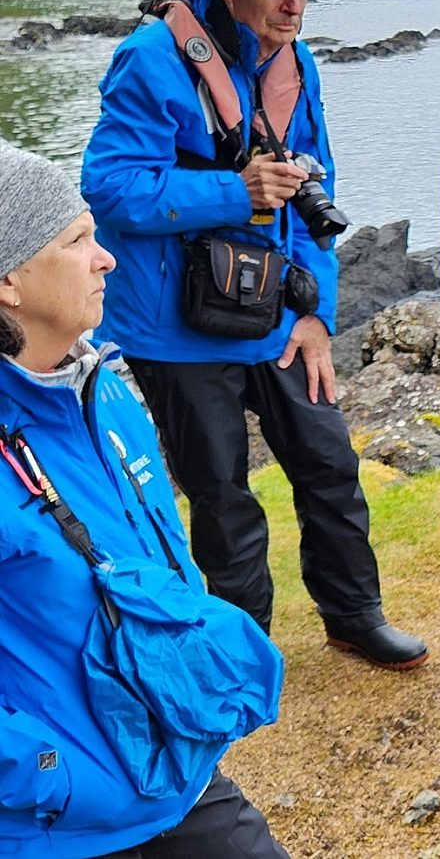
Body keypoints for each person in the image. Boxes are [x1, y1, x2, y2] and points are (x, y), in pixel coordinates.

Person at [80, 0, 428, 669]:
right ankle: (245, 651)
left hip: (273, 312)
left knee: (330, 464)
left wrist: (316, 314)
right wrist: (236, 193)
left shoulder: (295, 63)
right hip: (173, 325)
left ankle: (354, 615)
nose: (294, 4)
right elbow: (108, 189)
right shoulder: (150, 58)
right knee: (222, 495)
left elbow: (315, 191)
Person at [1, 144, 288, 858]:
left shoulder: (103, 386)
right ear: (9, 281)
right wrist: (47, 778)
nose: (108, 259)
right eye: (77, 241)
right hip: (56, 820)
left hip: (174, 775)